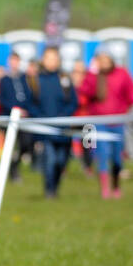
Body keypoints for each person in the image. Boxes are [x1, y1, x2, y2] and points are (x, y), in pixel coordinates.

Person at [79, 51, 133, 199]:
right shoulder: (94, 76)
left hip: (118, 122)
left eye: (107, 60)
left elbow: (131, 95)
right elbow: (84, 91)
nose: (104, 63)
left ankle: (116, 186)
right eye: (101, 60)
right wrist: (92, 74)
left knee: (117, 158)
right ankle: (105, 189)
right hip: (99, 122)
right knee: (102, 154)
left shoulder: (122, 74)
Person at [26, 47, 78, 198]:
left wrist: (64, 116)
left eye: (54, 58)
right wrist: (40, 118)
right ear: (43, 60)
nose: (52, 62)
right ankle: (49, 190)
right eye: (49, 58)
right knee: (50, 160)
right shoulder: (35, 81)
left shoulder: (64, 80)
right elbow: (31, 104)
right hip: (45, 130)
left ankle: (55, 187)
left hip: (63, 130)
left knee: (61, 161)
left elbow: (73, 102)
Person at [0, 52, 34, 181]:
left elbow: (29, 95)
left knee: (26, 143)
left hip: (24, 117)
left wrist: (26, 110)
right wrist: (14, 110)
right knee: (10, 146)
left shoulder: (24, 78)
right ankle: (11, 172)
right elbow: (1, 98)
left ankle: (14, 165)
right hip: (10, 116)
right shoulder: (4, 79)